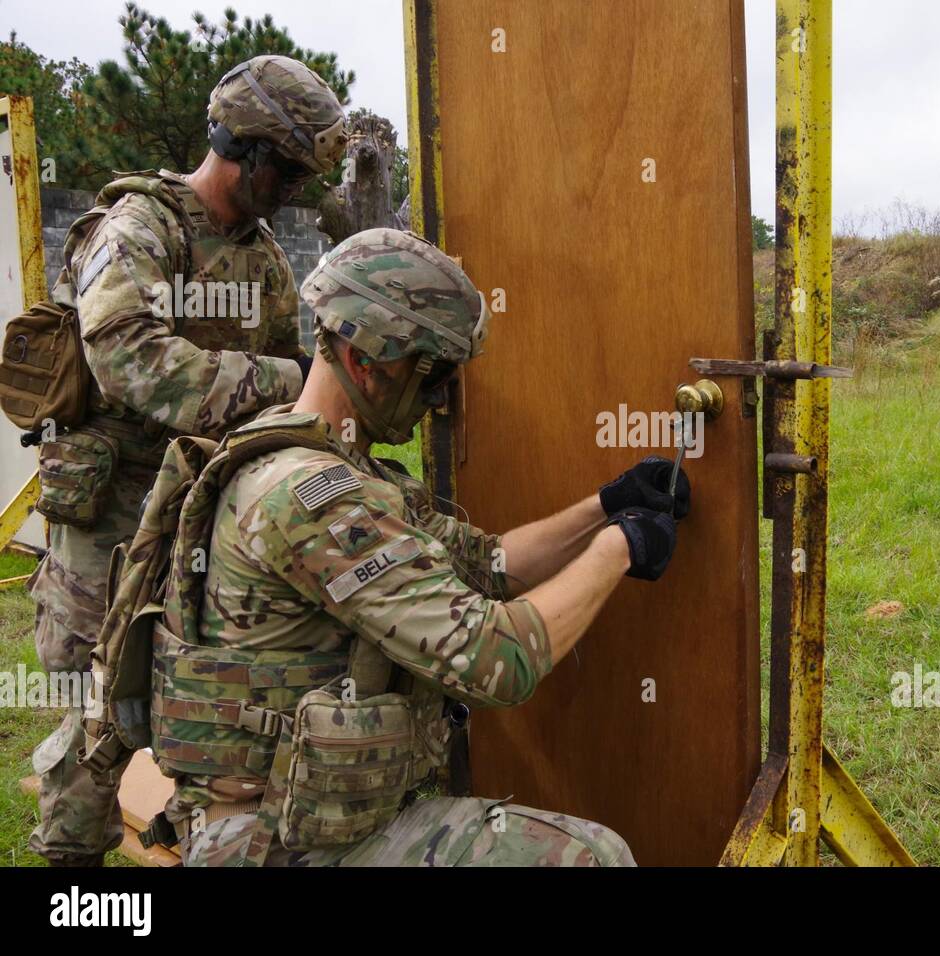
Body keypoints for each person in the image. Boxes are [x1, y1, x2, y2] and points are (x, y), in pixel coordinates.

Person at [150, 227, 688, 866]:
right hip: (275, 844)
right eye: (433, 376)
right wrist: (618, 550)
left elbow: (491, 564)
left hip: (316, 816)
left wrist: (606, 506)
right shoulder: (309, 498)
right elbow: (496, 660)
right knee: (589, 859)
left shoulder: (340, 468)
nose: (441, 401)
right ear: (363, 362)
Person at [28, 54, 348, 866]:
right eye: (289, 171)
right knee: (97, 710)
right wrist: (283, 379)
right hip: (116, 515)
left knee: (208, 692)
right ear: (248, 150)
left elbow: (294, 393)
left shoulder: (265, 256)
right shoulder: (141, 227)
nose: (295, 190)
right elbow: (128, 359)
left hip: (204, 513)